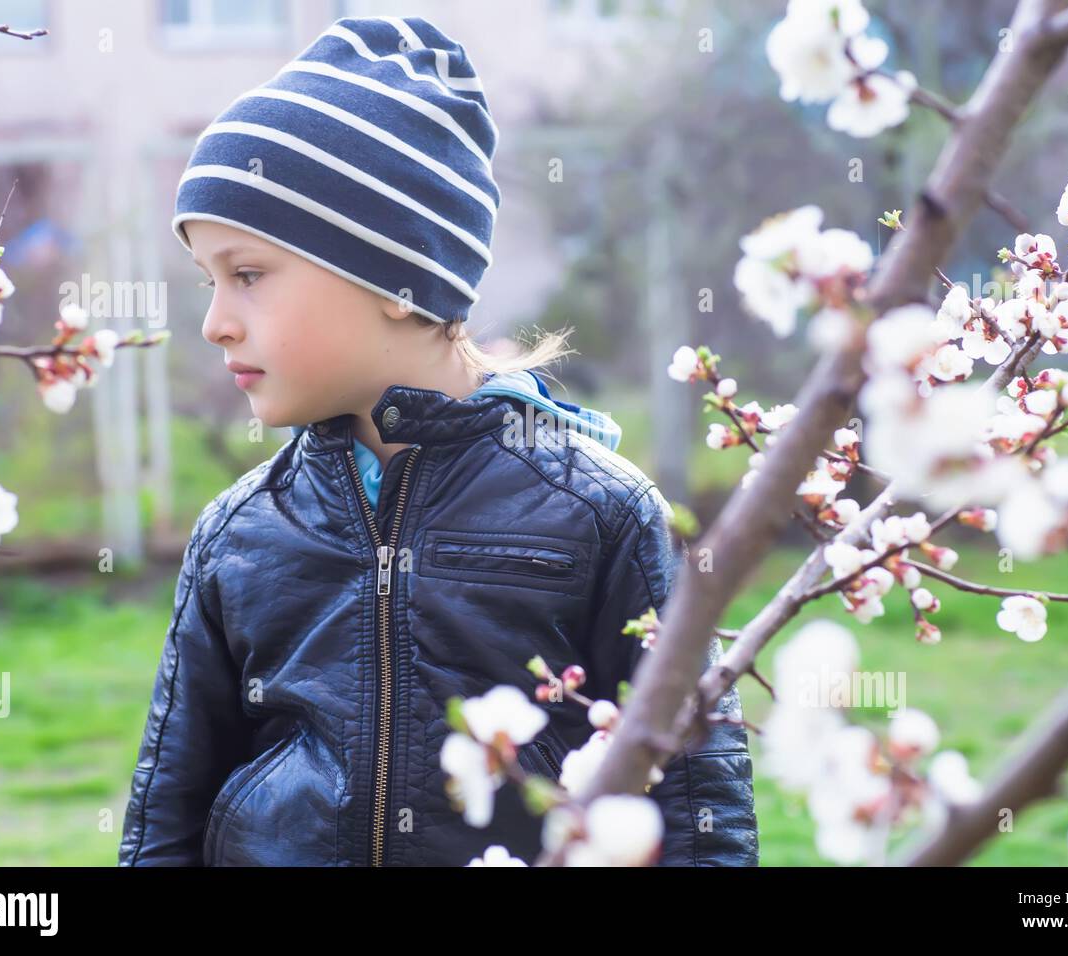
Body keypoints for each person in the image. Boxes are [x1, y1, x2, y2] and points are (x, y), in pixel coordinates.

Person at [117, 14, 757, 867]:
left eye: (247, 276)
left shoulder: (601, 514)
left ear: (395, 278)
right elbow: (167, 814)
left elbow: (694, 800)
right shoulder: (239, 535)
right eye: (209, 282)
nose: (214, 323)